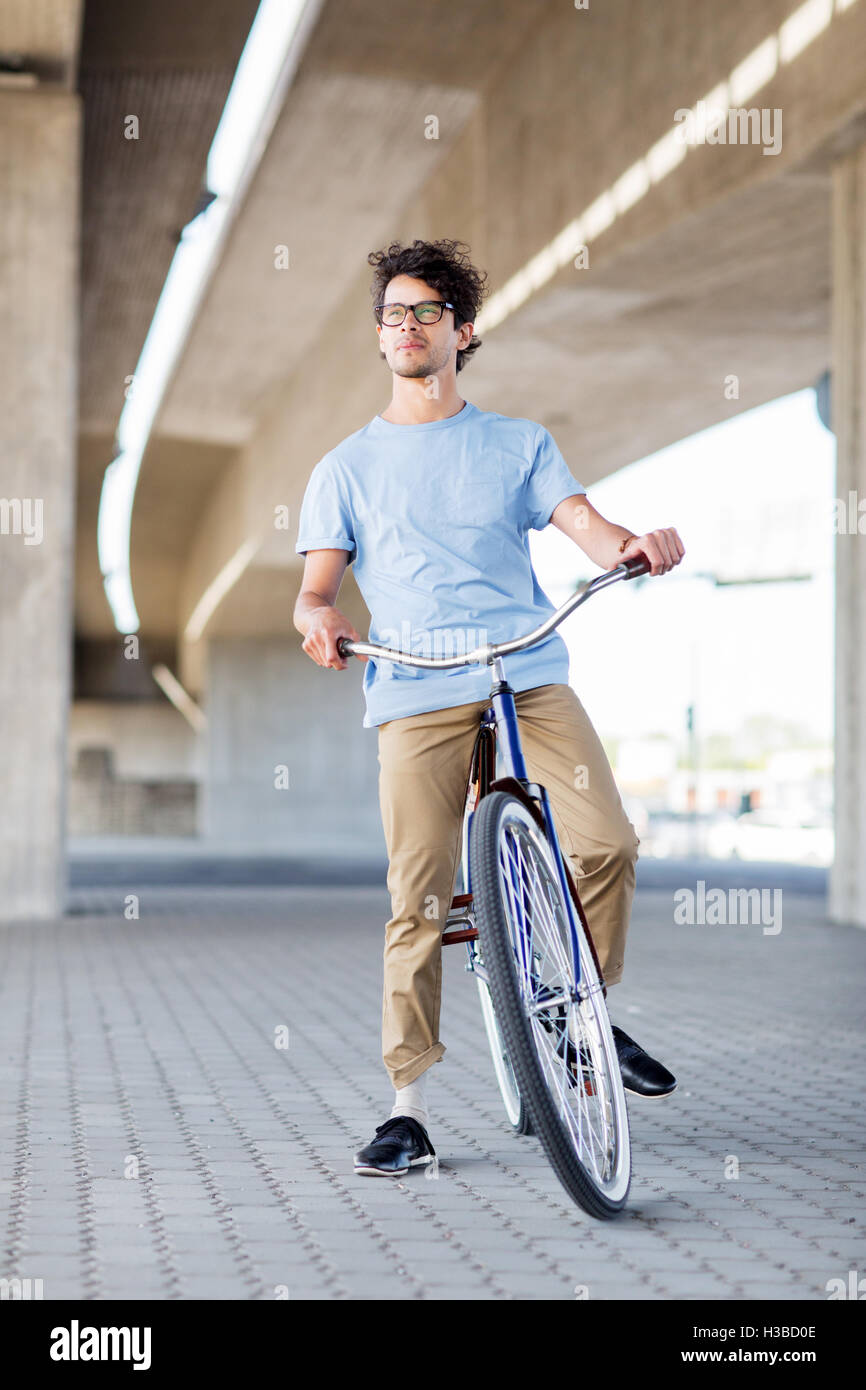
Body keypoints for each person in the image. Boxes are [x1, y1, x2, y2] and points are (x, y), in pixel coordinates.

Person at [293, 238, 684, 1179]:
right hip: (415, 686)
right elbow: (316, 591)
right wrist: (320, 621)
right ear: (380, 336)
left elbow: (588, 528)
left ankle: (582, 1009)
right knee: (417, 896)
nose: (406, 326)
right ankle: (408, 1105)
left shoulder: (518, 444)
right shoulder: (344, 467)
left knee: (605, 844)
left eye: (427, 312)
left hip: (525, 671)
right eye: (393, 313)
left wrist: (634, 547)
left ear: (462, 332)